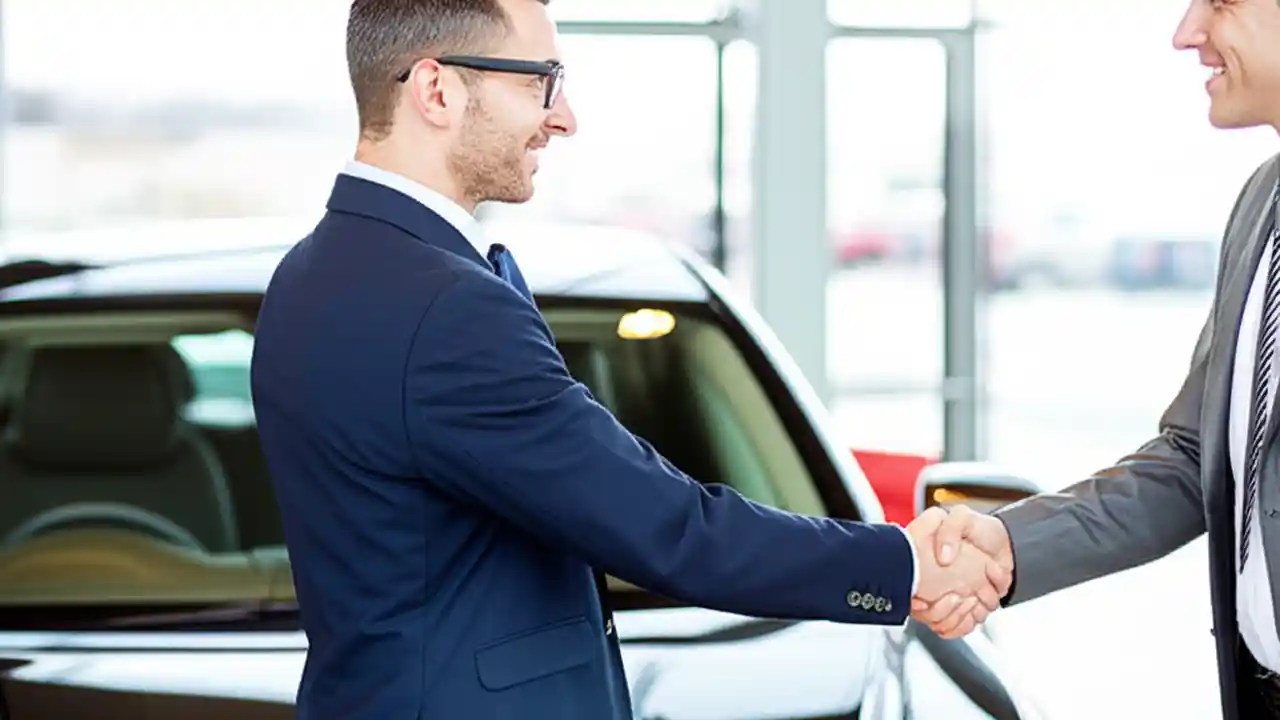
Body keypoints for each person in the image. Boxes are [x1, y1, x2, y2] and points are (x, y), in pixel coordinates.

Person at [249, 1, 1009, 718]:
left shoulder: (313, 274)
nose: (563, 118)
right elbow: (670, 529)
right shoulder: (445, 308)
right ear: (437, 90)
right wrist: (902, 565)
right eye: (539, 82)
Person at [911, 1, 1280, 718]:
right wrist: (1008, 543)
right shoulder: (1262, 205)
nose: (1187, 33)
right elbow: (1192, 458)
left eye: (1222, 0)